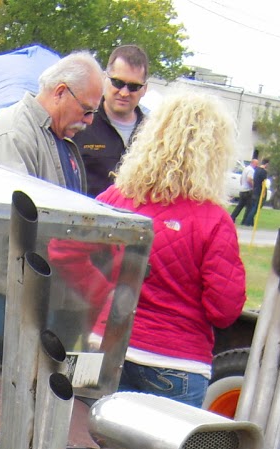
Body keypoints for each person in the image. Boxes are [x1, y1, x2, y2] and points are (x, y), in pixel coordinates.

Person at [85, 93, 246, 406]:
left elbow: (76, 258)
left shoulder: (115, 199)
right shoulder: (214, 221)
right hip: (176, 363)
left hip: (106, 344)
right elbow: (224, 310)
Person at [0, 50, 104, 193]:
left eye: (93, 112)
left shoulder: (59, 138)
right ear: (60, 92)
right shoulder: (13, 132)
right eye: (86, 110)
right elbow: (12, 210)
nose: (90, 120)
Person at [73, 44, 148, 198]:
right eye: (118, 83)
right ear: (104, 78)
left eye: (133, 86)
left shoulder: (154, 133)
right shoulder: (80, 122)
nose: (124, 92)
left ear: (144, 89)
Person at [230, 157, 267, 226]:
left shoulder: (246, 169)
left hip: (242, 189)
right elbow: (249, 179)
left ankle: (232, 217)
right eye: (256, 164)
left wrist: (242, 185)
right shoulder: (251, 170)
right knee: (249, 207)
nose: (257, 166)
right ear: (253, 163)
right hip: (247, 190)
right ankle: (246, 221)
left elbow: (241, 179)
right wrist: (253, 187)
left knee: (240, 206)